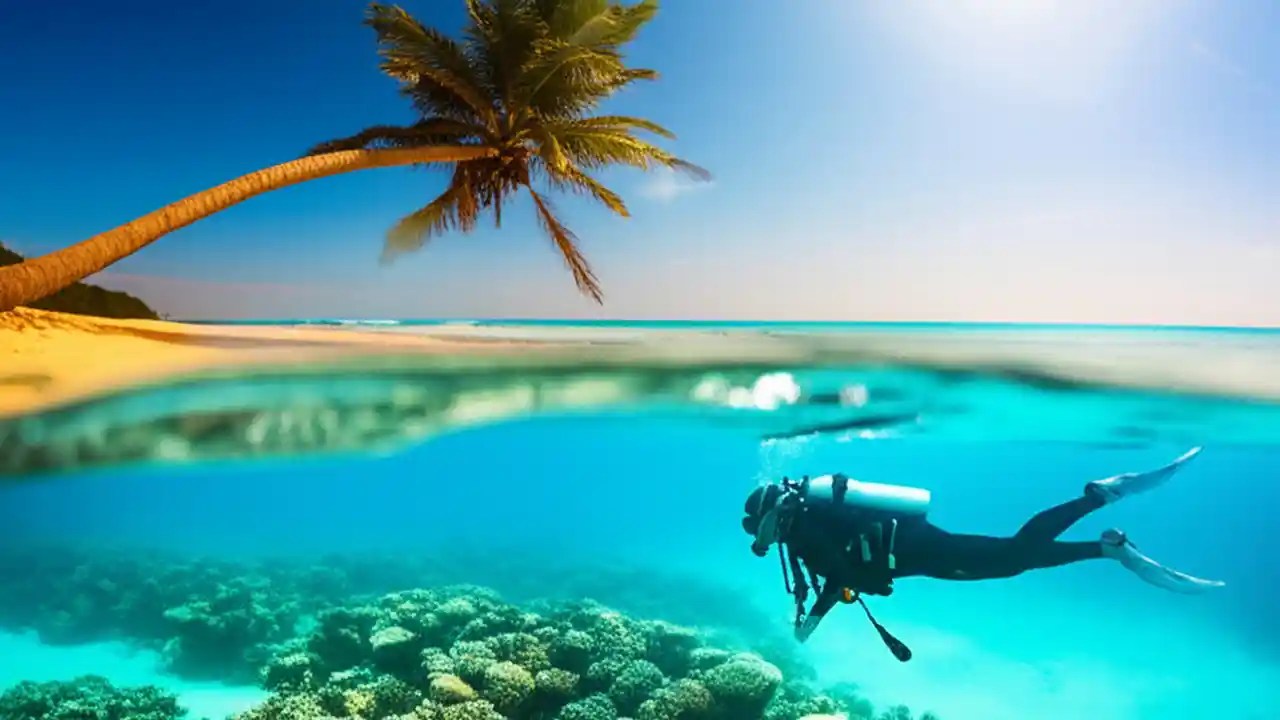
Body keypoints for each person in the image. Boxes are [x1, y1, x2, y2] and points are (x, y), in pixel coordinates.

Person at [740, 447, 1224, 661]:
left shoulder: (804, 529)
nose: (766, 540)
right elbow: (838, 572)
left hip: (918, 551)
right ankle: (1107, 547)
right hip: (915, 553)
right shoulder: (805, 525)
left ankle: (1097, 498)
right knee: (1011, 561)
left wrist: (813, 618)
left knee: (1012, 556)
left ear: (771, 519)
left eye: (762, 531)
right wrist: (819, 610)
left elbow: (838, 572)